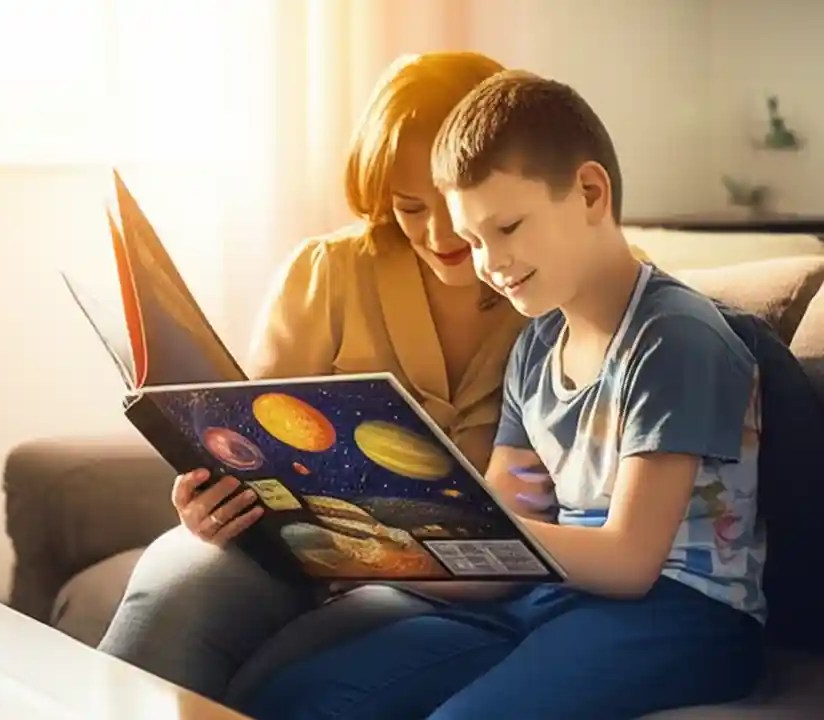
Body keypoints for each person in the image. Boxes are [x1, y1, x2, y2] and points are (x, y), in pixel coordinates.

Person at [240, 69, 766, 720]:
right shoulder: (536, 347)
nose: (487, 262)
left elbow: (631, 561)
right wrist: (393, 551)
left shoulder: (674, 339)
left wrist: (482, 531)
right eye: (475, 238)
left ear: (590, 192)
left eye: (508, 227)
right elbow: (498, 548)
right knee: (300, 697)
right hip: (557, 594)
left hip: (685, 614)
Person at [96, 51, 532, 705]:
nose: (439, 233)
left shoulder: (556, 280)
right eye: (410, 208)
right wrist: (203, 496)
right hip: (298, 548)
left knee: (284, 675)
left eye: (450, 202)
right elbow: (241, 433)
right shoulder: (330, 272)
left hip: (451, 586)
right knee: (176, 587)